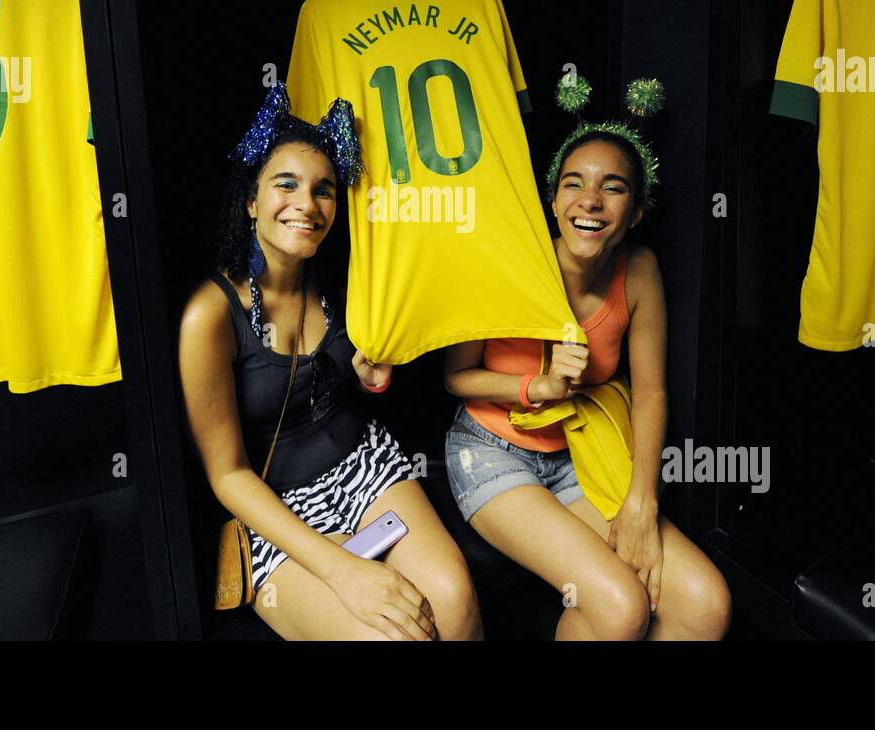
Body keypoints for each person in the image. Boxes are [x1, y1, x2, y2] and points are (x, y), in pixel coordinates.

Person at [179, 82, 481, 641]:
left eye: (324, 190)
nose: (307, 204)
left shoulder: (334, 277)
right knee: (387, 637)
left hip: (365, 469)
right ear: (251, 200)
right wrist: (345, 570)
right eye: (285, 184)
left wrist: (368, 377)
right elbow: (227, 474)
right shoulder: (210, 314)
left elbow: (346, 382)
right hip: (276, 510)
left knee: (455, 602)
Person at [442, 80, 731, 640]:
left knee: (705, 604)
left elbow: (650, 393)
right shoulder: (511, 266)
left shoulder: (639, 269)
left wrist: (642, 504)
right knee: (621, 607)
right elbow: (456, 378)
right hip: (492, 454)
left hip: (581, 454)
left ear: (637, 210)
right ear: (552, 202)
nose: (590, 200)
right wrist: (540, 387)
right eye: (573, 184)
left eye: (612, 187)